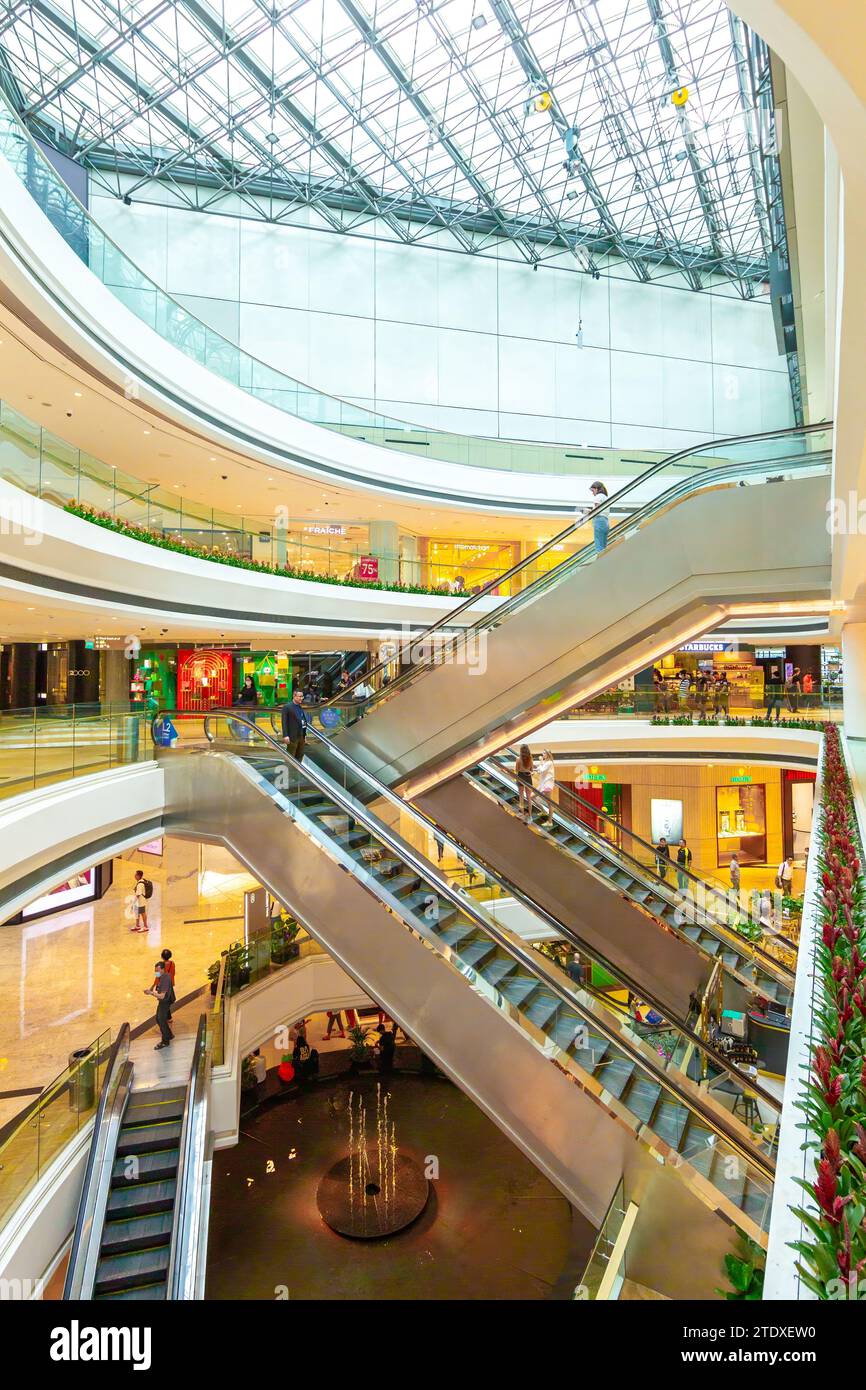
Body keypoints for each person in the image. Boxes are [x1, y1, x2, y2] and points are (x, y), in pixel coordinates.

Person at [146, 961, 173, 1050]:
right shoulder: (162, 976)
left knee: (161, 1020)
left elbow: (162, 995)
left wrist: (151, 993)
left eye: (157, 970)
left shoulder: (165, 979)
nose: (156, 972)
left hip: (165, 1001)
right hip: (163, 1001)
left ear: (162, 969)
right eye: (155, 970)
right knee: (158, 1018)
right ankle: (169, 1035)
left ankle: (165, 1041)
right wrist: (150, 990)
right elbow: (157, 985)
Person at [281, 687, 309, 761]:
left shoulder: (300, 707)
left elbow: (302, 720)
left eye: (302, 696)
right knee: (291, 756)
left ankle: (297, 770)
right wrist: (285, 735)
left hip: (301, 735)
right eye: (300, 696)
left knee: (300, 754)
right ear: (294, 696)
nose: (301, 698)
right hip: (292, 736)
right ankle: (290, 770)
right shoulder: (287, 707)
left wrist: (304, 734)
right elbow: (284, 722)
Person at [587, 480, 610, 554]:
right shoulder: (605, 497)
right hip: (605, 521)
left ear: (597, 489)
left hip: (599, 520)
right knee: (603, 546)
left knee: (599, 545)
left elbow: (597, 509)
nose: (592, 493)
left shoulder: (599, 496)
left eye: (593, 490)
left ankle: (599, 562)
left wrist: (588, 512)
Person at [515, 744, 535, 819]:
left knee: (521, 796)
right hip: (528, 777)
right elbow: (532, 770)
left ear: (521, 751)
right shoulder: (530, 758)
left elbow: (516, 770)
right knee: (529, 797)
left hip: (520, 776)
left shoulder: (518, 759)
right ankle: (530, 814)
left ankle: (522, 813)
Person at [536, 749, 556, 821]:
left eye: (544, 753)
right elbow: (539, 770)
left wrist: (541, 762)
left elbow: (541, 770)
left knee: (549, 803)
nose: (543, 755)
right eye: (542, 753)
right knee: (532, 796)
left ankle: (550, 821)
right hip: (542, 784)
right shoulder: (545, 762)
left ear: (548, 754)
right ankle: (544, 811)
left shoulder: (549, 762)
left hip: (547, 784)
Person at [131, 868, 150, 933]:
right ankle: (137, 925)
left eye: (135, 875)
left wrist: (133, 902)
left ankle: (145, 926)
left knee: (142, 913)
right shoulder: (141, 882)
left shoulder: (140, 884)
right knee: (137, 913)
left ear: (138, 876)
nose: (134, 876)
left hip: (141, 901)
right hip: (139, 901)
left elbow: (138, 894)